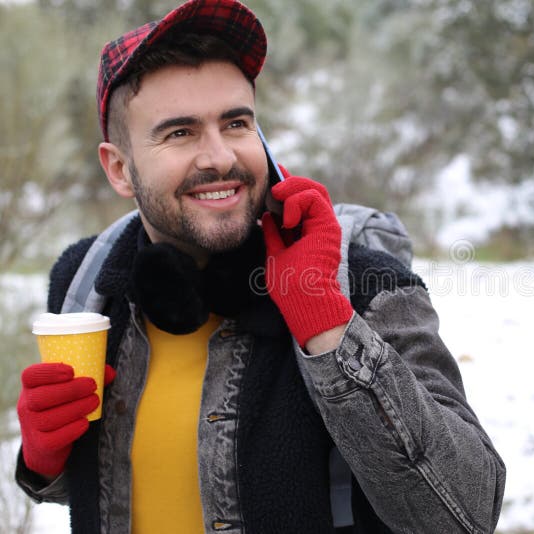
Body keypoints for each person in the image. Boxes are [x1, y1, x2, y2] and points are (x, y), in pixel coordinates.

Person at [15, 1, 506, 532]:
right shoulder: (87, 284)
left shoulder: (368, 285)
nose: (219, 156)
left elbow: (465, 515)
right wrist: (44, 460)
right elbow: (121, 479)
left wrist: (327, 324)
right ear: (119, 168)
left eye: (236, 123)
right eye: (179, 133)